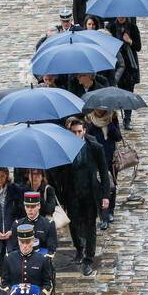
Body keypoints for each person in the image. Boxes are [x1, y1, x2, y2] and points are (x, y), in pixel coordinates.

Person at [60, 117, 111, 276]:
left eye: (79, 131)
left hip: (90, 193)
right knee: (73, 224)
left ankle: (89, 259)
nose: (76, 134)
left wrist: (105, 195)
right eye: (73, 132)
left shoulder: (94, 147)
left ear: (84, 131)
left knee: (90, 227)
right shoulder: (64, 148)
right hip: (72, 193)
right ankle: (79, 249)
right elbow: (60, 173)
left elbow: (104, 172)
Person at [85, 108, 122, 230]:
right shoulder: (90, 120)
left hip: (110, 158)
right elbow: (88, 138)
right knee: (100, 187)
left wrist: (110, 124)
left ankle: (111, 210)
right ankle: (103, 217)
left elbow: (118, 137)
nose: (100, 110)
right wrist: (90, 125)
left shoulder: (112, 117)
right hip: (97, 160)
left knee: (111, 186)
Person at [106, 15, 142, 127]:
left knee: (129, 91)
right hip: (117, 64)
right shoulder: (110, 27)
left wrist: (130, 41)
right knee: (118, 91)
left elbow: (138, 47)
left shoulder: (132, 27)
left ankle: (127, 118)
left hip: (130, 64)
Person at [15, 190, 58, 259]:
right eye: (27, 206)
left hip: (43, 259)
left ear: (39, 206)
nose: (29, 210)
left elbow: (51, 249)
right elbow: (13, 248)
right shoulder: (17, 224)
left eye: (33, 207)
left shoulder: (49, 224)